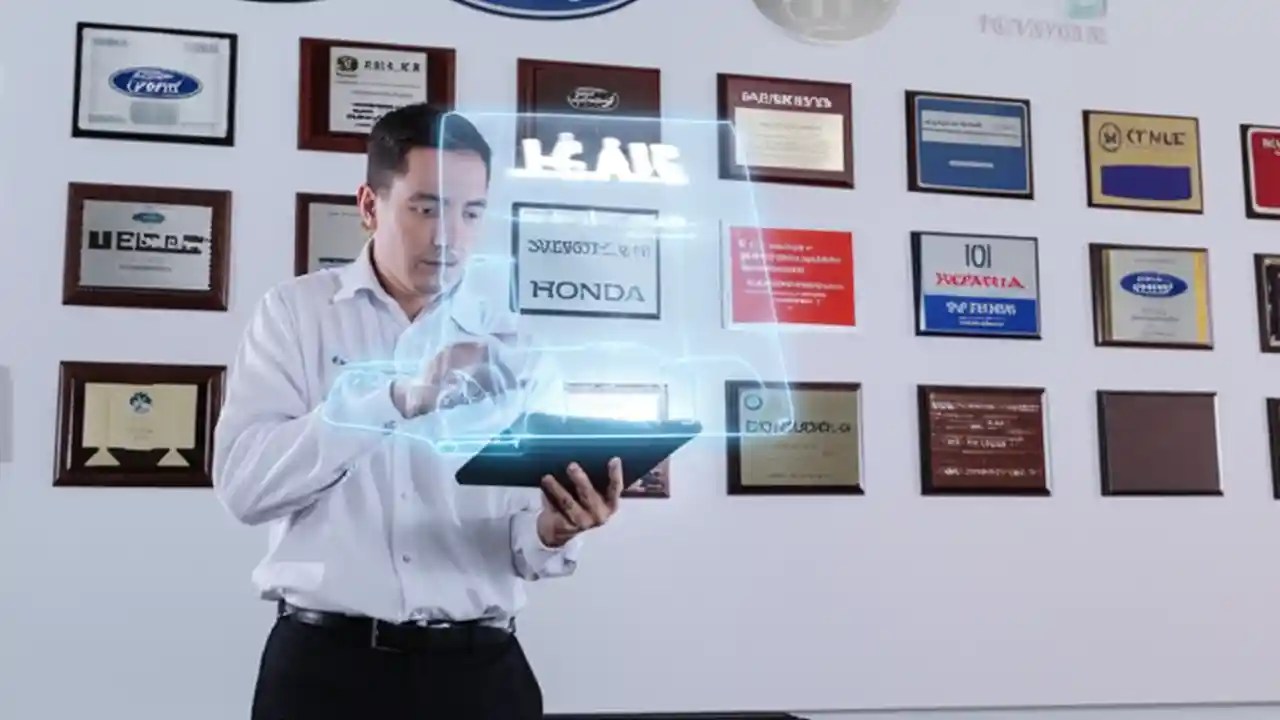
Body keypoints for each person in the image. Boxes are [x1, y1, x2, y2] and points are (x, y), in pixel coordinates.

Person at [211, 102, 624, 720]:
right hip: (326, 672)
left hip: (480, 677)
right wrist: (393, 398)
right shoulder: (294, 315)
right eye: (425, 207)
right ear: (370, 205)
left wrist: (555, 529)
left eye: (470, 212)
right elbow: (245, 489)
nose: (446, 235)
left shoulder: (518, 347)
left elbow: (524, 544)